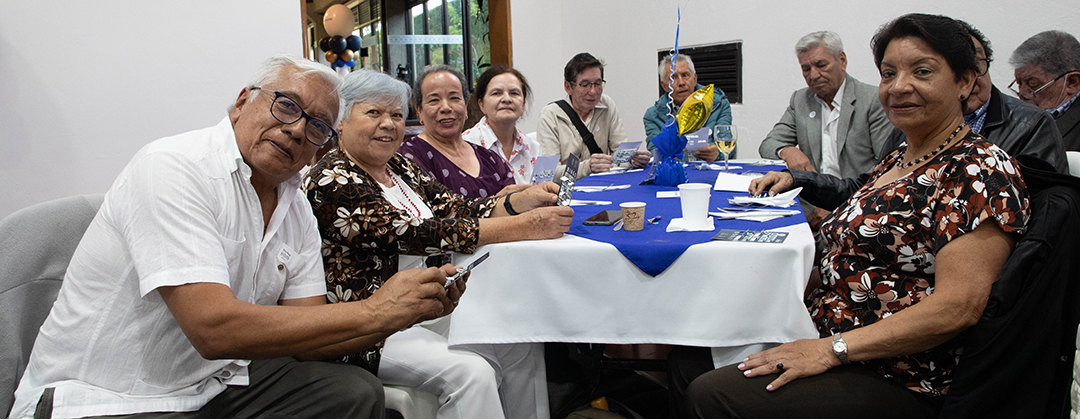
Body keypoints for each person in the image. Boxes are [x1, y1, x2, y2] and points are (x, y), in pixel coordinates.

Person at [10, 55, 462, 419]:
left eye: (316, 126)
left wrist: (399, 313)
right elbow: (213, 328)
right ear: (242, 102)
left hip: (212, 382)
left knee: (352, 391)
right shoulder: (175, 166)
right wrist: (374, 311)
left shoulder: (294, 203)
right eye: (286, 106)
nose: (296, 129)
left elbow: (308, 339)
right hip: (113, 397)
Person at [685, 14, 1029, 418]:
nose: (899, 86)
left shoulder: (979, 169)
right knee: (689, 357)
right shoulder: (900, 158)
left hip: (896, 371)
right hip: (828, 329)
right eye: (888, 73)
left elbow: (958, 306)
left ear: (966, 82)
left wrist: (830, 350)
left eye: (922, 71)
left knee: (712, 394)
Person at [304, 69, 573, 419]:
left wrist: (516, 202)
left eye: (397, 115)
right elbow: (414, 232)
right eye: (374, 113)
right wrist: (522, 226)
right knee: (472, 374)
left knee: (519, 341)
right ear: (341, 120)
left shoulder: (398, 166)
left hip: (429, 309)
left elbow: (457, 208)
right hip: (372, 328)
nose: (388, 124)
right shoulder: (331, 178)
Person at [884, 21, 1068, 173]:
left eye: (976, 65)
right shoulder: (912, 120)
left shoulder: (1031, 125)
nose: (899, 87)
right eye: (889, 73)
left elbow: (1039, 203)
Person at [758, 30, 895, 227]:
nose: (813, 75)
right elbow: (768, 144)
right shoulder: (801, 100)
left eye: (821, 65)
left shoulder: (873, 100)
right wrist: (788, 151)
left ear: (842, 60)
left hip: (858, 204)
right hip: (809, 203)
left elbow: (885, 168)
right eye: (806, 69)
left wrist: (837, 205)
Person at [398, 65, 515, 199]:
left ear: (465, 107)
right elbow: (431, 215)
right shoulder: (408, 157)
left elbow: (517, 209)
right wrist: (497, 205)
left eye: (454, 98)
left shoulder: (490, 159)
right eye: (434, 100)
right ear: (419, 110)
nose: (446, 108)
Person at [537, 52, 651, 179]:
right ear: (568, 87)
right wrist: (586, 167)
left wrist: (631, 160)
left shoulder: (607, 105)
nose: (593, 91)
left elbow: (619, 155)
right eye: (585, 85)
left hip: (602, 186)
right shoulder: (550, 116)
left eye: (597, 84)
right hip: (566, 192)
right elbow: (547, 174)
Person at [643, 54, 733, 162]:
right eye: (673, 78)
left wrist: (717, 153)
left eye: (685, 75)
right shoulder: (653, 116)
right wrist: (667, 154)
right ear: (665, 86)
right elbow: (654, 152)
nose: (681, 83)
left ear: (694, 79)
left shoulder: (719, 104)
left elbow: (729, 147)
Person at [462, 65, 542, 184]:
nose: (506, 99)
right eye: (496, 93)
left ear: (523, 104)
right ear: (482, 104)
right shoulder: (466, 145)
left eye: (514, 93)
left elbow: (541, 196)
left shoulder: (533, 148)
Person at [1009, 30, 1080, 151]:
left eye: (1034, 84)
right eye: (1019, 83)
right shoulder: (1014, 118)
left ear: (1072, 82)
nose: (1022, 94)